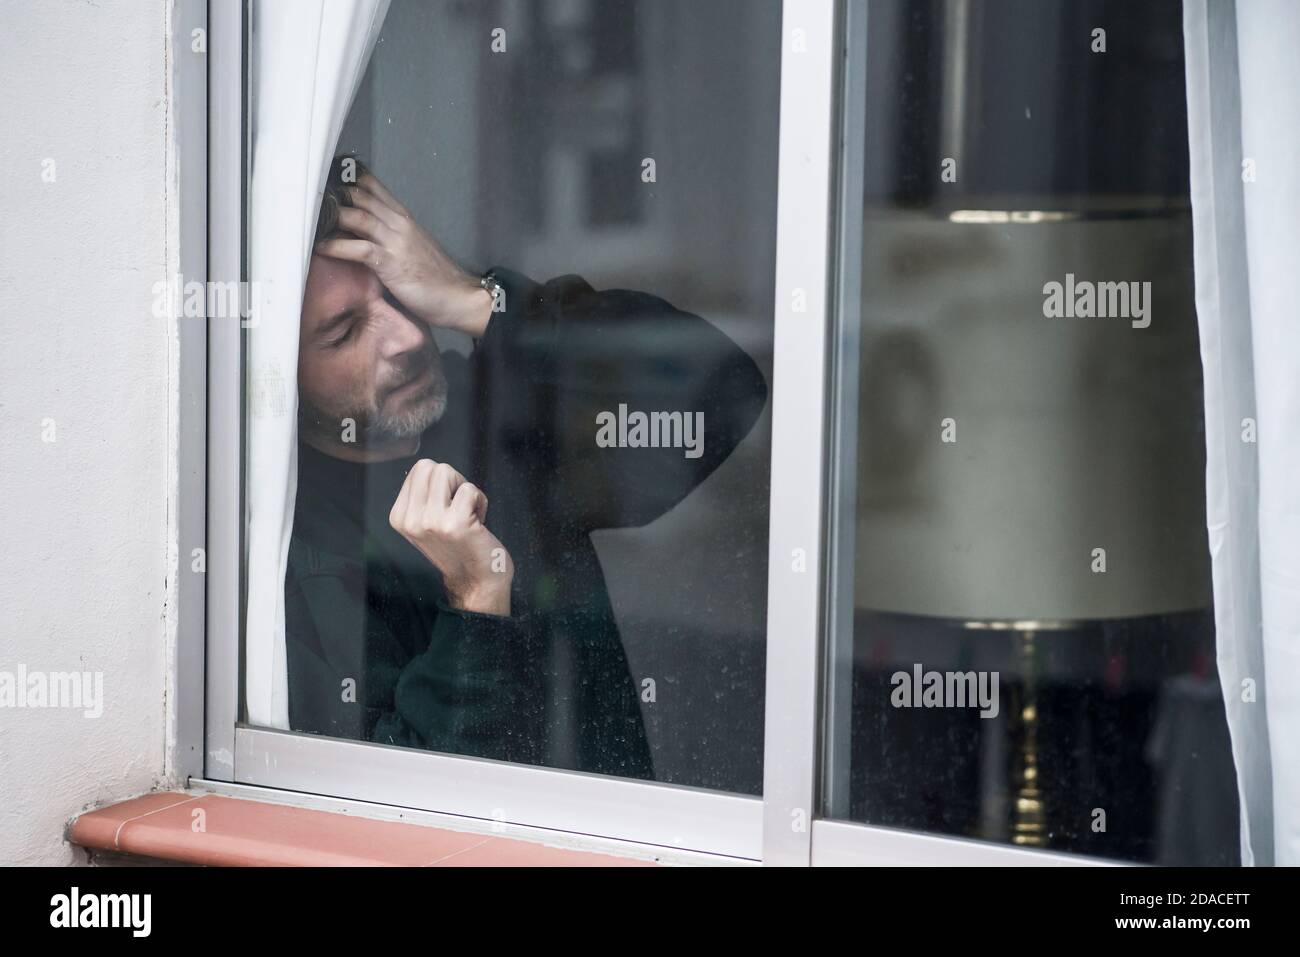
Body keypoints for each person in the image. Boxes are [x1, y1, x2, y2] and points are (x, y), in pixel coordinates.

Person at [285, 156, 766, 779]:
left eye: (399, 290)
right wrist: (474, 601)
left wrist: (478, 301)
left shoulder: (502, 410)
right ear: (277, 368)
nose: (406, 338)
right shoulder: (292, 546)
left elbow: (724, 391)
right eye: (345, 332)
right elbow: (389, 805)